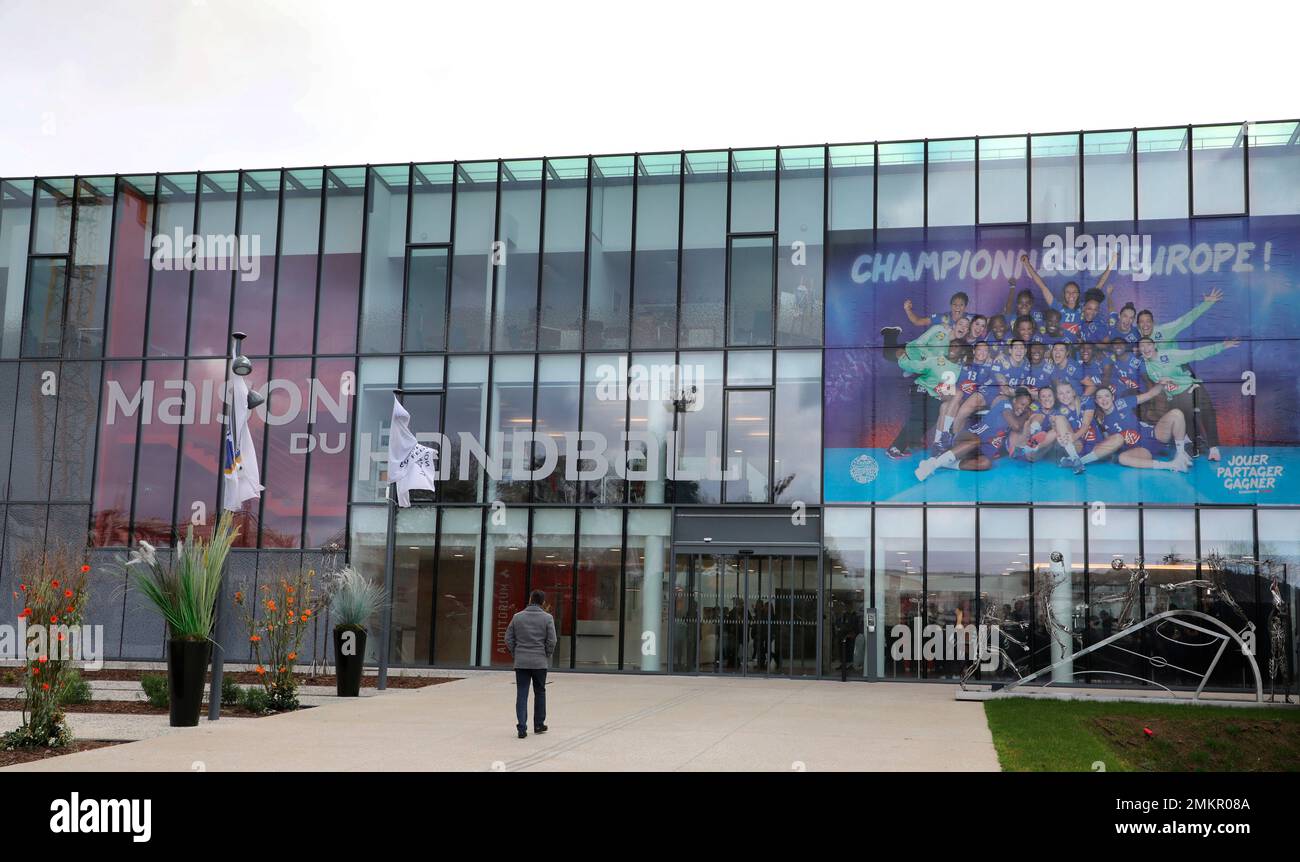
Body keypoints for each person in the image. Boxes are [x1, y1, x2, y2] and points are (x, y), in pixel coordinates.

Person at [1137, 335, 1240, 461]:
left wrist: (1222, 346)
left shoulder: (1170, 355)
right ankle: (1192, 446)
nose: (1145, 348)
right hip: (1176, 396)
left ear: (1154, 346)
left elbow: (1196, 353)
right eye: (1142, 346)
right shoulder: (1145, 365)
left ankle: (1213, 448)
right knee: (1186, 423)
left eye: (1148, 344)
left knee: (1207, 413)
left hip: (1190, 386)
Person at [504, 589, 557, 739]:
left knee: (522, 693)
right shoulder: (547, 618)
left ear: (530, 599)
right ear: (543, 602)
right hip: (540, 661)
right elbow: (552, 640)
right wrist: (546, 654)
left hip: (521, 661)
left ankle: (522, 726)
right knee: (540, 692)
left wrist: (516, 652)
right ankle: (539, 724)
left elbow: (508, 638)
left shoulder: (517, 617)